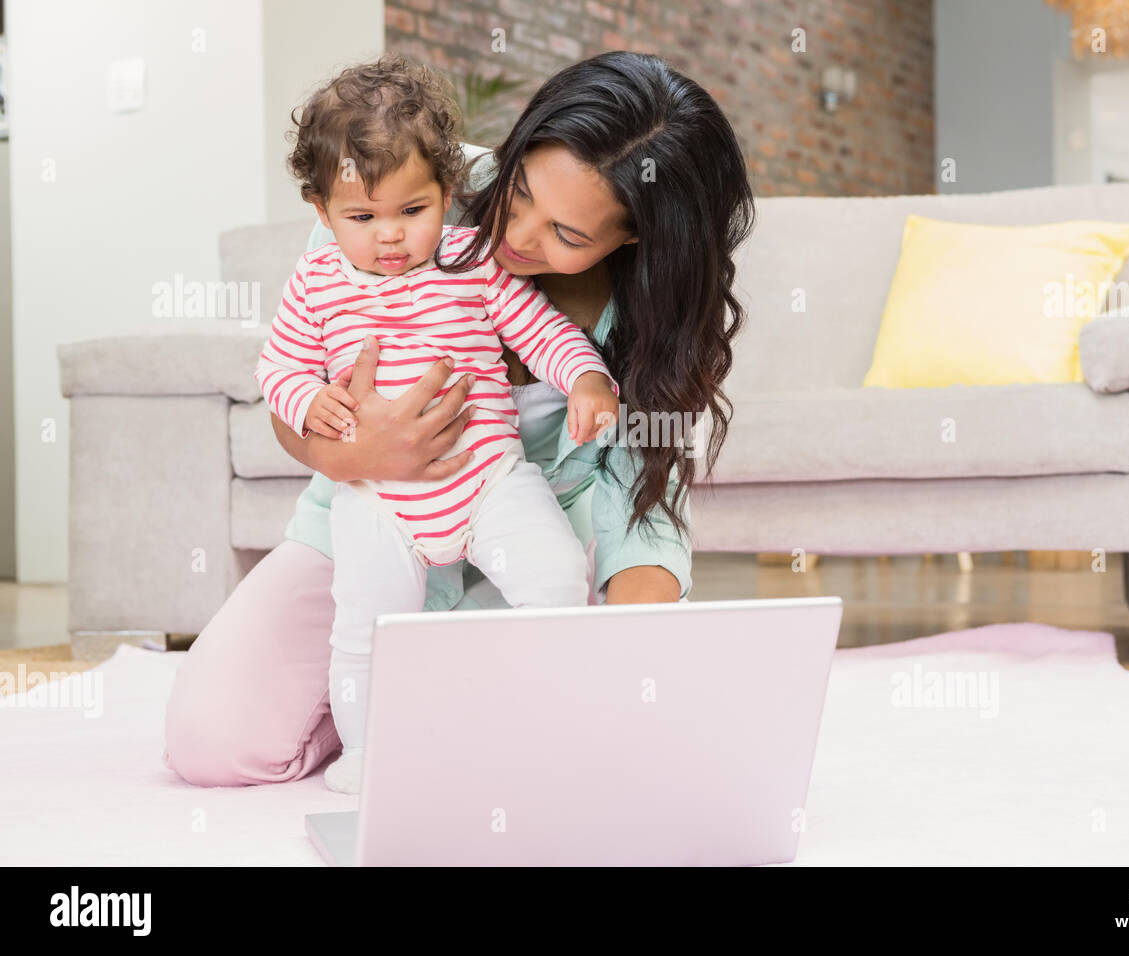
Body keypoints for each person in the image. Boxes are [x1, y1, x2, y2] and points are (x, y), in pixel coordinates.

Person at [163, 50, 755, 787]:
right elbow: (290, 389)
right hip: (374, 514)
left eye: (568, 235)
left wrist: (630, 650)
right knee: (214, 744)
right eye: (523, 190)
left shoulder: (644, 314)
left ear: (632, 236)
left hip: (521, 526)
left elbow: (644, 503)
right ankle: (381, 721)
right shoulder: (393, 175)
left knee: (553, 668)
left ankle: (461, 700)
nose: (520, 235)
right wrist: (361, 453)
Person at [256, 56, 622, 793]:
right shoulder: (318, 280)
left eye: (412, 212)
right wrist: (308, 403)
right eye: (362, 218)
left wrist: (587, 380)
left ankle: (549, 723)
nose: (388, 237)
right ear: (321, 211)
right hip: (378, 504)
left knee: (555, 575)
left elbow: (542, 331)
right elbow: (279, 369)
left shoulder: (470, 263)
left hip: (489, 482)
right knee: (363, 627)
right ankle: (364, 751)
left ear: (447, 194)